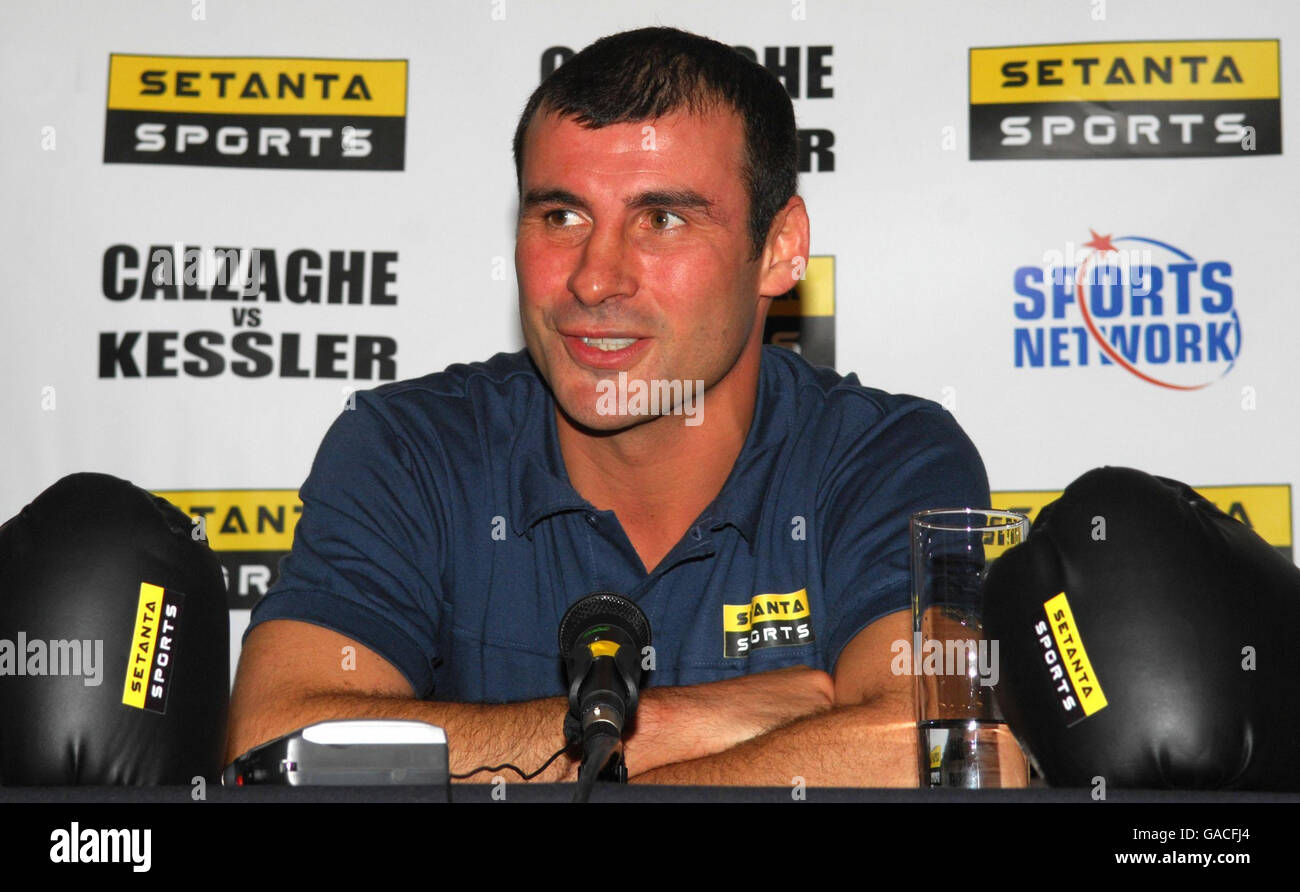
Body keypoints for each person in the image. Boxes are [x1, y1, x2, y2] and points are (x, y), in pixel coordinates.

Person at [226, 26, 988, 786]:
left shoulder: (889, 459)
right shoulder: (410, 448)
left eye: (662, 219)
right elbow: (277, 748)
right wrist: (686, 723)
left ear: (782, 247)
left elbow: (935, 754)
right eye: (562, 217)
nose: (595, 279)